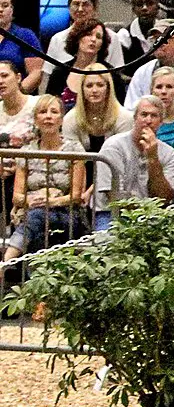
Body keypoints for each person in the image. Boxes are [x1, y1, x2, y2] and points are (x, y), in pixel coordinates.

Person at [4, 95, 86, 259]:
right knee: (38, 233)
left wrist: (51, 201)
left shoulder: (74, 149)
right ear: (35, 120)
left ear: (61, 119)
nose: (48, 116)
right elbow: (17, 196)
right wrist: (32, 199)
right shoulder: (27, 152)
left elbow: (77, 196)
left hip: (67, 212)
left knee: (37, 215)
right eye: (42, 112)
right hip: (34, 210)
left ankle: (7, 259)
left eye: (54, 112)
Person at [93, 96, 174, 231]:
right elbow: (114, 197)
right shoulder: (113, 146)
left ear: (161, 122)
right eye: (144, 115)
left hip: (152, 216)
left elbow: (163, 198)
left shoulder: (170, 154)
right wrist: (143, 211)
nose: (148, 121)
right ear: (135, 118)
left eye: (154, 116)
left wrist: (153, 158)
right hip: (111, 214)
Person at [61, 63, 133, 199]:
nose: (94, 90)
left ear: (108, 87)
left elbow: (121, 163)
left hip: (115, 178)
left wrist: (91, 192)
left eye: (100, 85)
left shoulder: (125, 118)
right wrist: (79, 193)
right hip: (79, 178)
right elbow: (70, 162)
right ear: (81, 89)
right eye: (89, 86)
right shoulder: (70, 119)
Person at [42, 0, 123, 93]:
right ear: (69, 8)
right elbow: (48, 76)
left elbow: (117, 72)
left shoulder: (112, 37)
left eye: (85, 4)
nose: (80, 9)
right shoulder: (57, 39)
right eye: (76, 4)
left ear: (94, 8)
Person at [46, 18, 124, 112]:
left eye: (98, 37)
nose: (93, 39)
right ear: (78, 38)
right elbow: (48, 105)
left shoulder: (112, 74)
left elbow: (119, 108)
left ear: (102, 44)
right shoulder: (59, 72)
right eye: (88, 34)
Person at [0, 60, 37, 210]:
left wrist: (20, 167)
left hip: (32, 172)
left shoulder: (38, 105)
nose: (0, 82)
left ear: (18, 77)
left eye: (4, 76)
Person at [0, 0, 42, 87]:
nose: (0, 10)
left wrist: (15, 95)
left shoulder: (25, 35)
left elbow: (36, 73)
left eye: (5, 6)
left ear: (12, 9)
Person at [115, 0, 160, 66]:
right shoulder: (124, 35)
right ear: (133, 9)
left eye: (149, 3)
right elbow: (118, 70)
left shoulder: (165, 33)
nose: (144, 8)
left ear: (157, 7)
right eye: (139, 4)